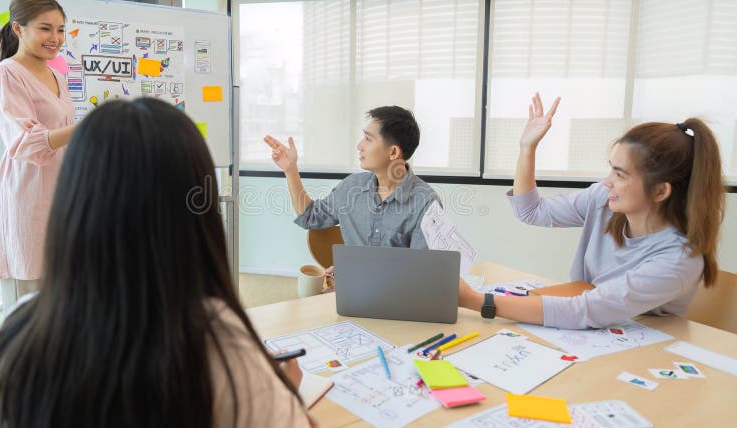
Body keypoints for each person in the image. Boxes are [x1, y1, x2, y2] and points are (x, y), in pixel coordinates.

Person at [0, 98, 338, 428]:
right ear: (197, 212)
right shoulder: (221, 349)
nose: (356, 145)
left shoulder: (14, 334)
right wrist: (286, 400)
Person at [459, 93, 725, 329]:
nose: (607, 181)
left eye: (620, 174)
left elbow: (586, 309)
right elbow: (531, 211)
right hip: (591, 331)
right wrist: (527, 148)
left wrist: (476, 300)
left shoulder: (679, 260)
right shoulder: (604, 200)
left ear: (660, 191)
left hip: (643, 349)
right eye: (611, 168)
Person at [264, 106, 440, 282]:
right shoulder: (352, 187)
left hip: (397, 301)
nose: (359, 146)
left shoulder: (426, 203)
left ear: (393, 152)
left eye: (368, 139)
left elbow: (420, 275)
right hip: (350, 291)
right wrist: (290, 169)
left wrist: (352, 272)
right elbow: (310, 217)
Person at [0, 0, 77, 312]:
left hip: (62, 195)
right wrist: (88, 127)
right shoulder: (6, 74)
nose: (56, 38)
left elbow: (61, 138)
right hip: (29, 195)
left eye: (61, 29)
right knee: (32, 308)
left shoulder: (57, 75)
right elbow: (25, 143)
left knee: (64, 302)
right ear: (17, 28)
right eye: (45, 28)